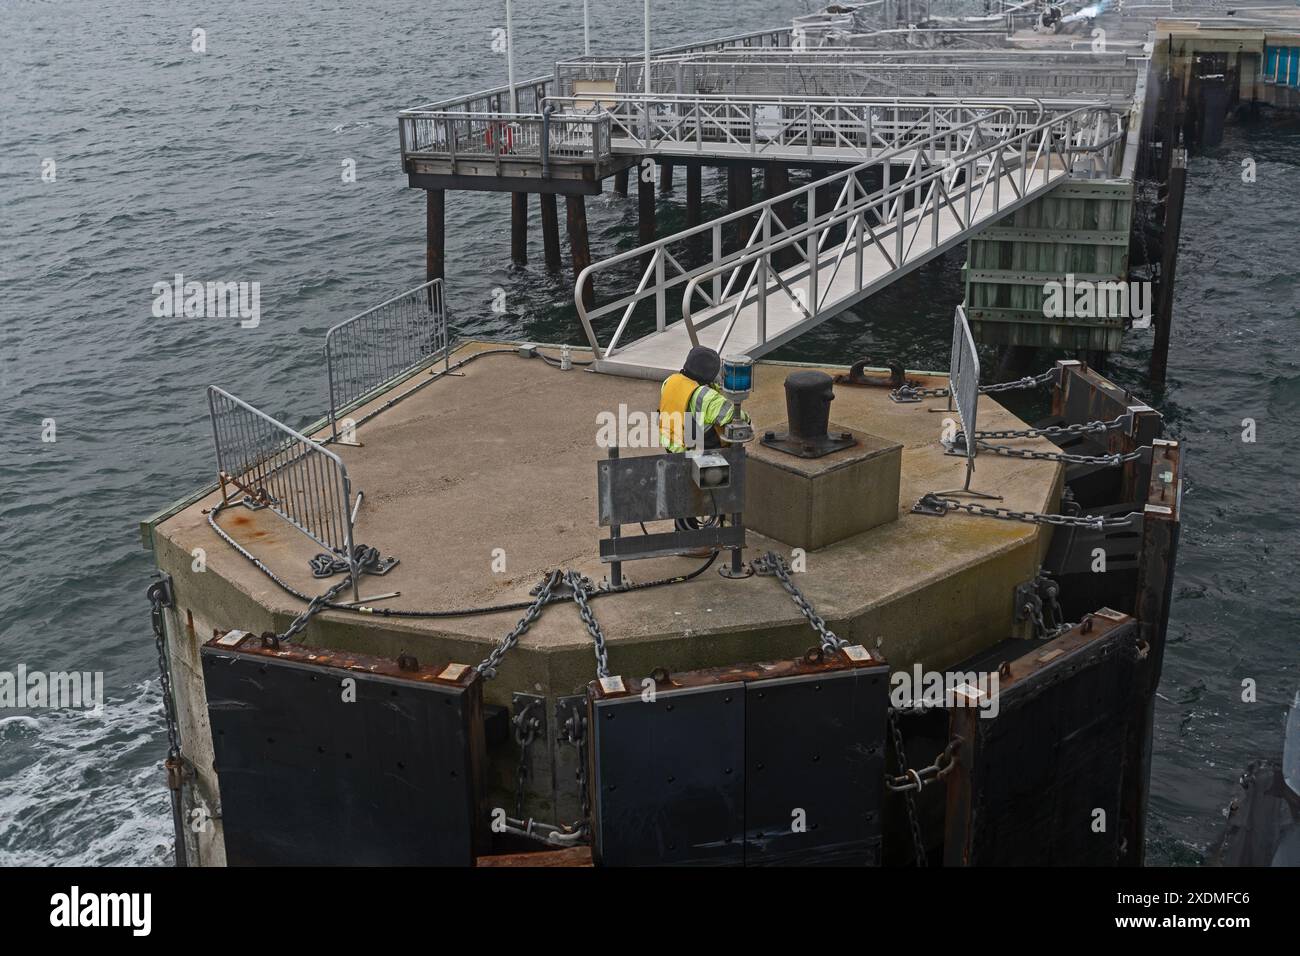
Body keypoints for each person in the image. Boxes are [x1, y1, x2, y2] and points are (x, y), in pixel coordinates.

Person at [658, 346, 751, 540]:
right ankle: (695, 543)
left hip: (673, 446)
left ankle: (685, 536)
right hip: (698, 454)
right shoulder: (705, 396)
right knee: (706, 496)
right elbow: (737, 417)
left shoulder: (671, 381)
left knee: (684, 500)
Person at [658, 345, 750, 454]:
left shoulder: (670, 381)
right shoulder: (705, 396)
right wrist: (748, 421)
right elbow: (734, 416)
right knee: (733, 427)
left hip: (671, 444)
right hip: (697, 450)